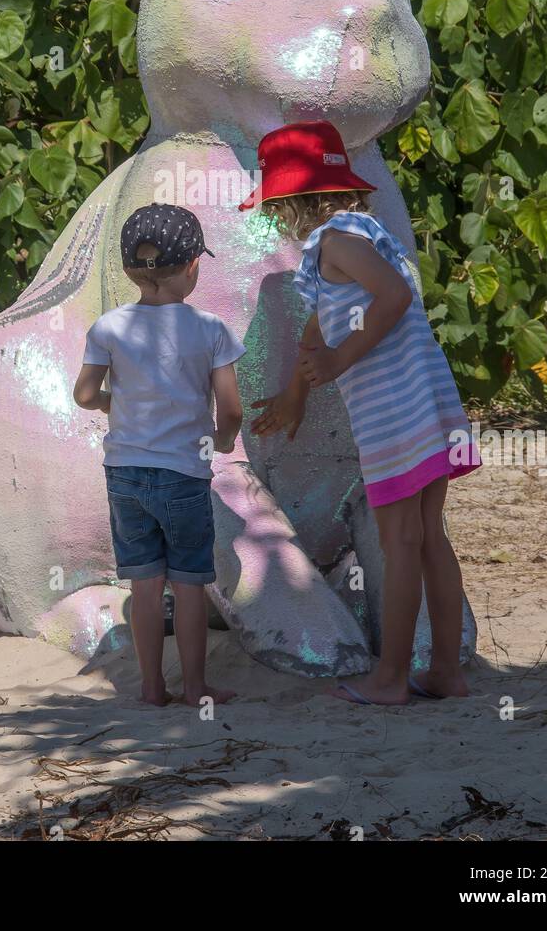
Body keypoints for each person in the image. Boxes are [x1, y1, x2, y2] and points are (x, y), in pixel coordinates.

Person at [242, 121, 479, 707]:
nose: (275, 217)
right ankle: (445, 671)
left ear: (296, 200)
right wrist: (296, 394)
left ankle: (391, 677)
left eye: (276, 205)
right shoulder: (362, 234)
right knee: (428, 541)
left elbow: (394, 299)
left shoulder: (335, 243)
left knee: (400, 542)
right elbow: (316, 326)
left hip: (392, 409)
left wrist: (341, 359)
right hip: (426, 399)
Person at [74, 203, 244, 707]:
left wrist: (114, 403)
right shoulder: (211, 329)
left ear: (130, 269)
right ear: (193, 265)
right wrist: (224, 439)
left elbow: (84, 395)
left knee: (144, 586)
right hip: (183, 476)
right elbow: (231, 408)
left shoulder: (109, 327)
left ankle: (152, 686)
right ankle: (195, 687)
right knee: (189, 586)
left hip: (124, 473)